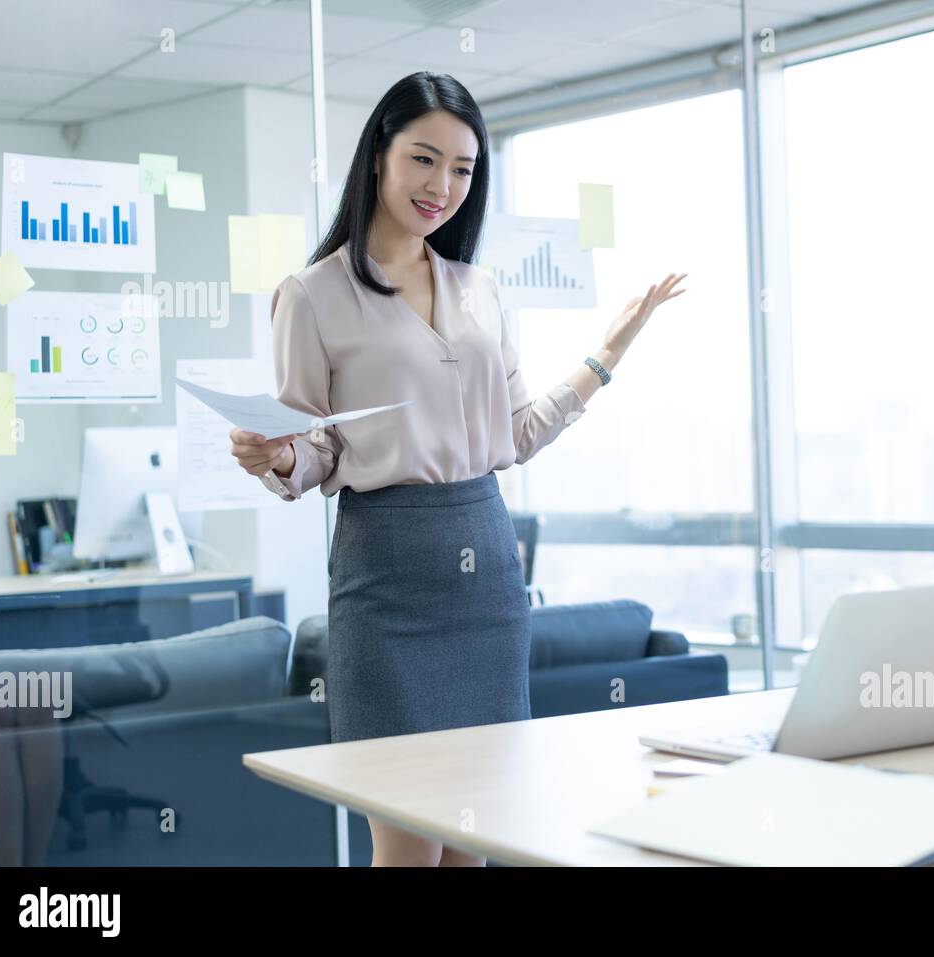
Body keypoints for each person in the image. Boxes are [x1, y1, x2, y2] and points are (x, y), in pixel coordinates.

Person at [229, 71, 686, 866]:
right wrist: (279, 455)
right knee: (408, 842)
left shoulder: (479, 289)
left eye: (464, 168)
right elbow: (316, 448)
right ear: (379, 155)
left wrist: (604, 358)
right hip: (387, 576)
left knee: (472, 841)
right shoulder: (313, 295)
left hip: (486, 571)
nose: (443, 185)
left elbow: (515, 434)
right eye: (424, 159)